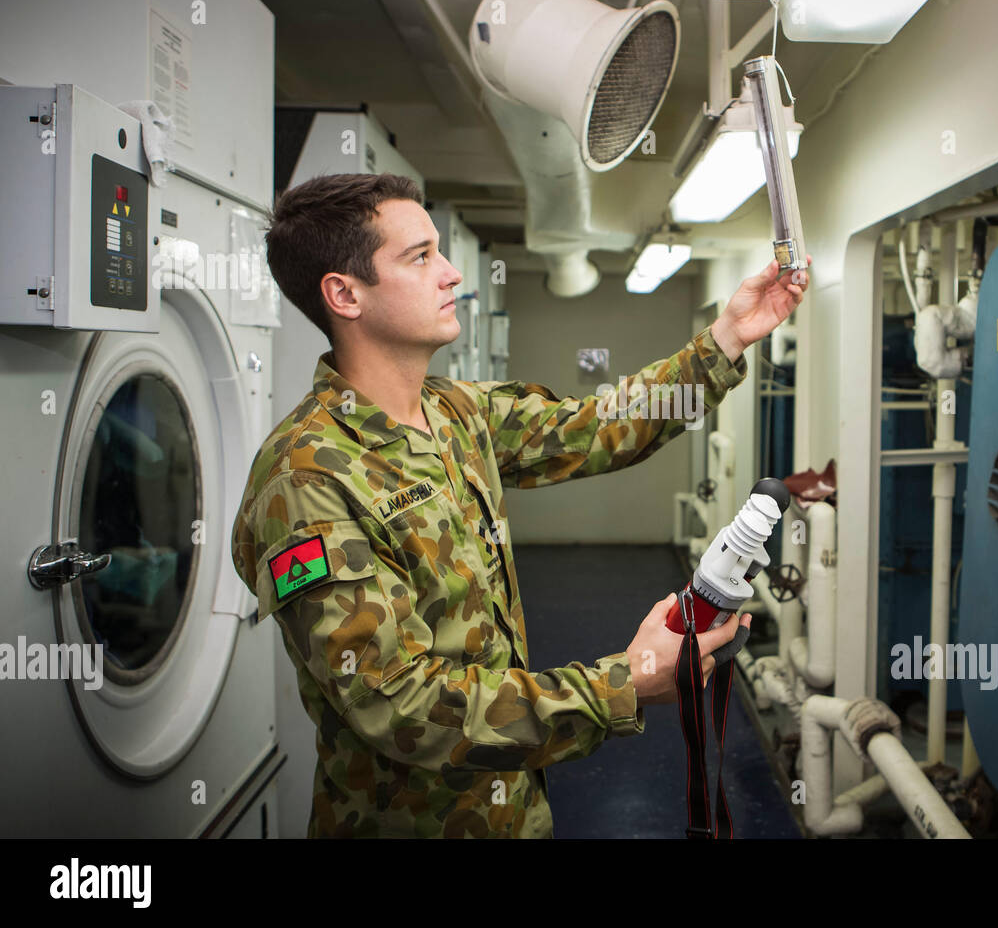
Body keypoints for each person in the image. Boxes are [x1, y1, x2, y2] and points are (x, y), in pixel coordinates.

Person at [230, 172, 809, 838]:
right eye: (420, 257)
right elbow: (399, 706)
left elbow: (598, 425)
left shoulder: (454, 412)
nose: (451, 274)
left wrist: (728, 337)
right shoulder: (305, 479)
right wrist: (622, 685)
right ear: (344, 293)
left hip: (513, 809)